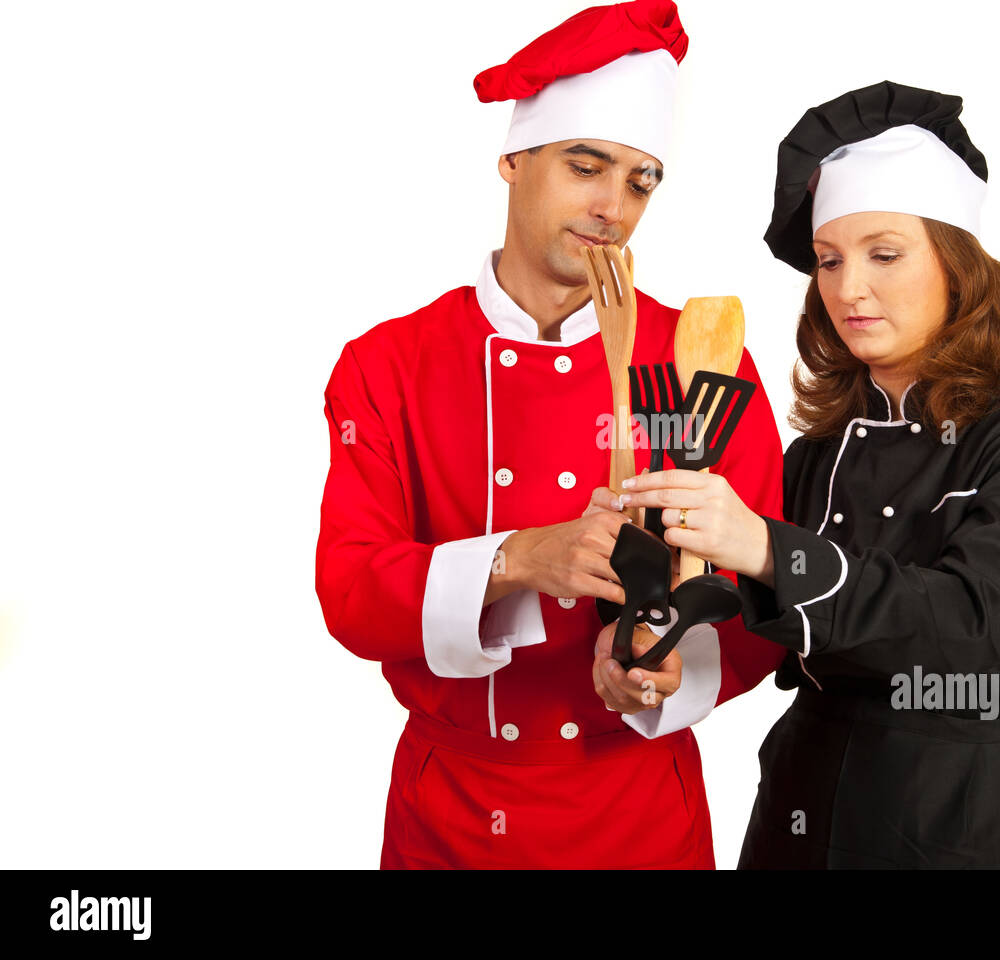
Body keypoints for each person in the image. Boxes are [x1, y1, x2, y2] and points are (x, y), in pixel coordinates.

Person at [313, 0, 785, 869]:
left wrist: (666, 667)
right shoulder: (388, 365)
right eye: (585, 165)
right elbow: (349, 589)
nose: (613, 206)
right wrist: (521, 556)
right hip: (452, 814)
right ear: (513, 159)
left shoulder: (699, 360)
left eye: (642, 180)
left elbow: (762, 596)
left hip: (639, 812)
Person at [617, 80, 1000, 868]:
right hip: (808, 803)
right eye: (828, 261)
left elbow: (968, 628)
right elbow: (747, 621)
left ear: (958, 264)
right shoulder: (817, 451)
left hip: (983, 813)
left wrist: (770, 548)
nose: (849, 288)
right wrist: (657, 603)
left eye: (885, 254)